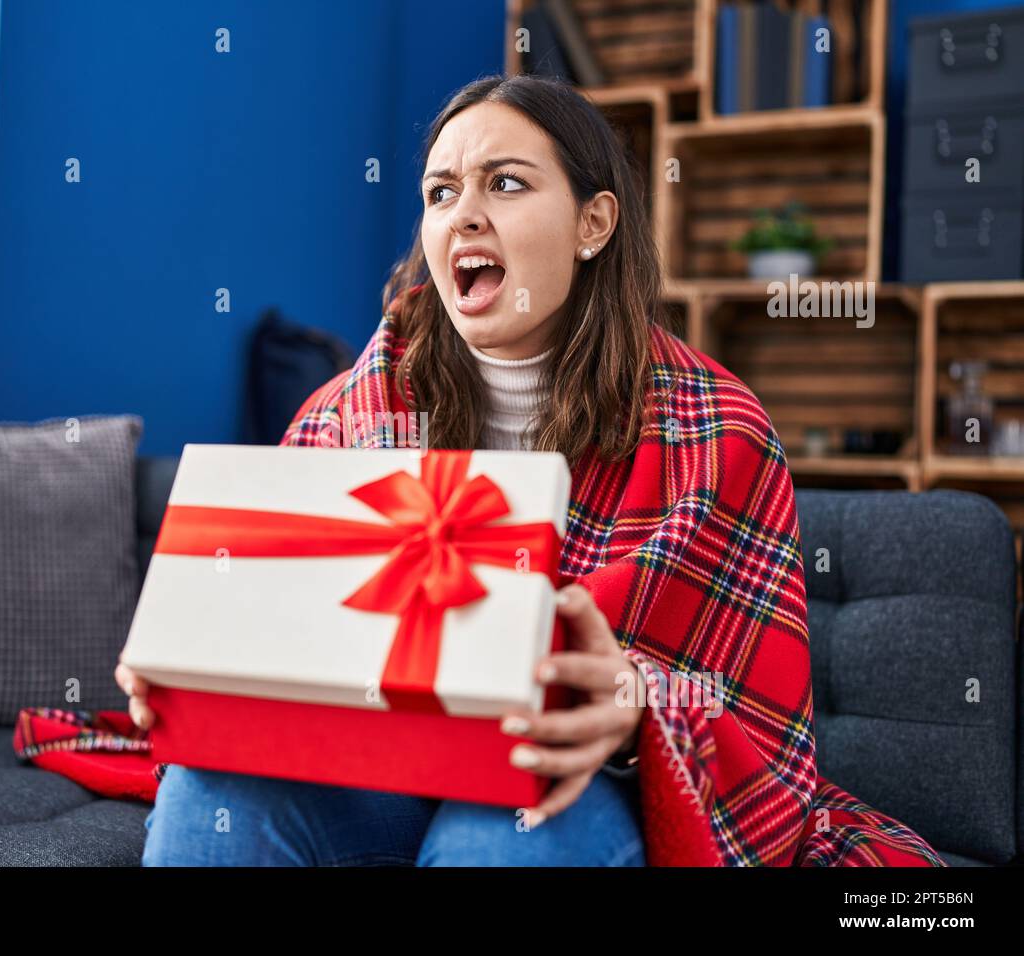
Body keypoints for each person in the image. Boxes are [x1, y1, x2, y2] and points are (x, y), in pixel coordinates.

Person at [115, 73, 944, 867]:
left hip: (582, 782)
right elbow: (282, 632)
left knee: (502, 833)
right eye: (440, 194)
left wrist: (634, 707)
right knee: (205, 792)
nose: (463, 215)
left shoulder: (720, 431)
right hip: (377, 772)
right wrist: (200, 673)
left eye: (504, 185)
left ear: (594, 223)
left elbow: (746, 717)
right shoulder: (340, 414)